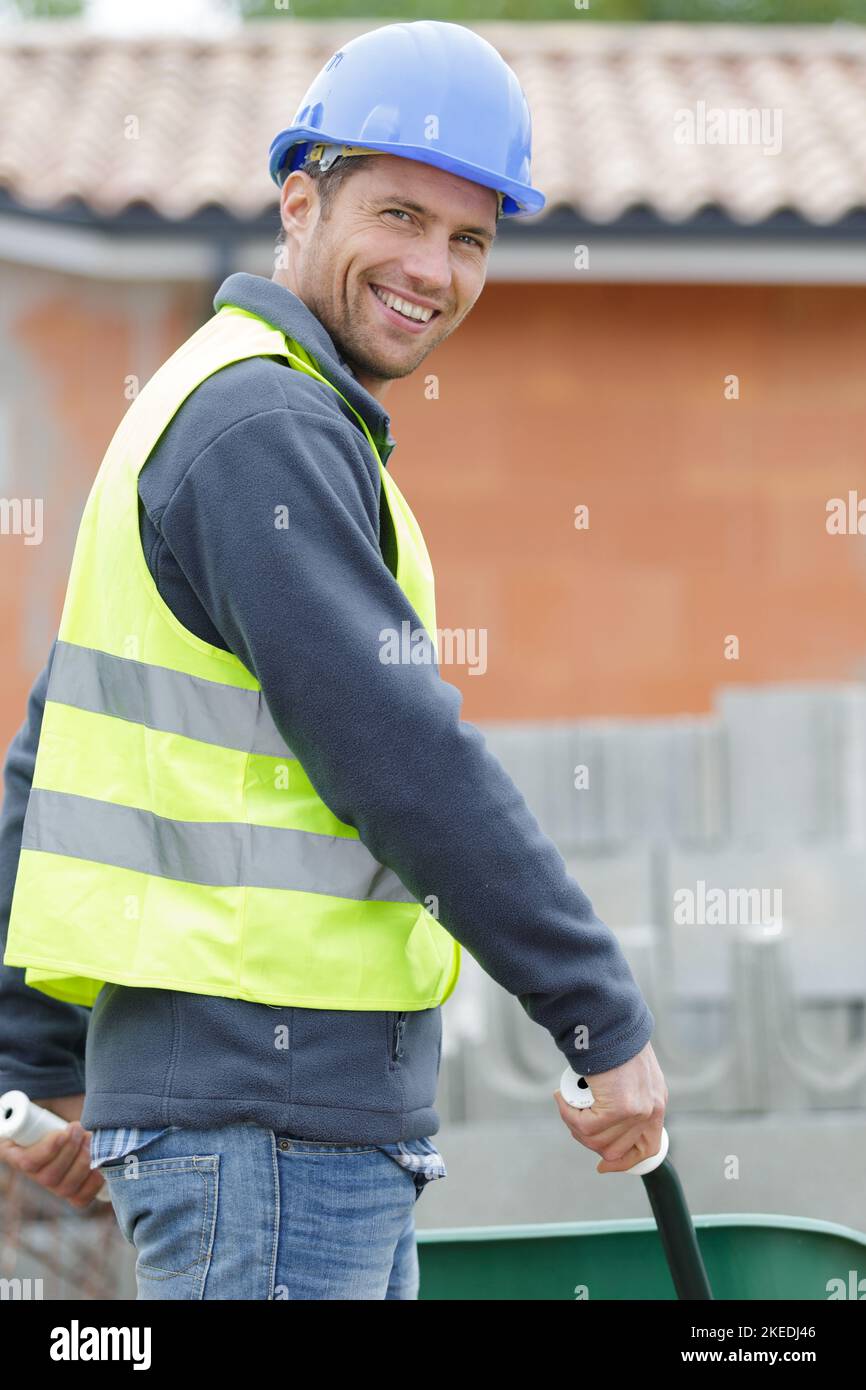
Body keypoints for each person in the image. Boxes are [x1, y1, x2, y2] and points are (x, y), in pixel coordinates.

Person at [0, 20, 666, 1300]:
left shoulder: (216, 404)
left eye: (469, 239)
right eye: (401, 215)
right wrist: (597, 1011)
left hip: (268, 1128)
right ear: (298, 199)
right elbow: (397, 749)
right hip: (268, 1127)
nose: (433, 268)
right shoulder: (262, 423)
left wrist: (29, 1053)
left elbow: (59, 734)